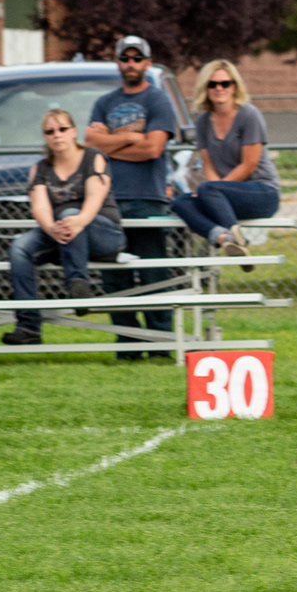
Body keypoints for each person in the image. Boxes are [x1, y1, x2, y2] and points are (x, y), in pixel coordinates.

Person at [85, 35, 180, 361]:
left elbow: (153, 148)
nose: (130, 64)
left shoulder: (158, 100)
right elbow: (90, 144)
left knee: (154, 273)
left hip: (148, 199)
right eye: (125, 58)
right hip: (107, 201)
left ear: (147, 63)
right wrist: (130, 137)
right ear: (118, 63)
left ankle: (161, 344)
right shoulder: (104, 102)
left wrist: (110, 140)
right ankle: (127, 344)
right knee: (115, 277)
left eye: (137, 58)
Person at [1, 108, 124, 346]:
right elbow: (40, 207)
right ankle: (28, 326)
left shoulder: (93, 157)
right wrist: (50, 228)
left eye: (62, 129)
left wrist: (78, 220)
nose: (57, 135)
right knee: (19, 248)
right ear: (45, 137)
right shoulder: (40, 169)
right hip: (62, 235)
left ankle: (78, 286)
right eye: (50, 131)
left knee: (70, 214)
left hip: (104, 234)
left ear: (74, 132)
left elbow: (94, 198)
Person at [169, 60, 280, 268]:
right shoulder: (202, 121)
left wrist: (212, 192)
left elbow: (249, 164)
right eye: (212, 84)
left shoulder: (249, 115)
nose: (219, 88)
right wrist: (210, 194)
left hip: (262, 192)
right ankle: (226, 239)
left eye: (225, 83)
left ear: (234, 87)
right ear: (205, 88)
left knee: (206, 189)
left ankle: (237, 239)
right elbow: (207, 164)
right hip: (223, 195)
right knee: (181, 202)